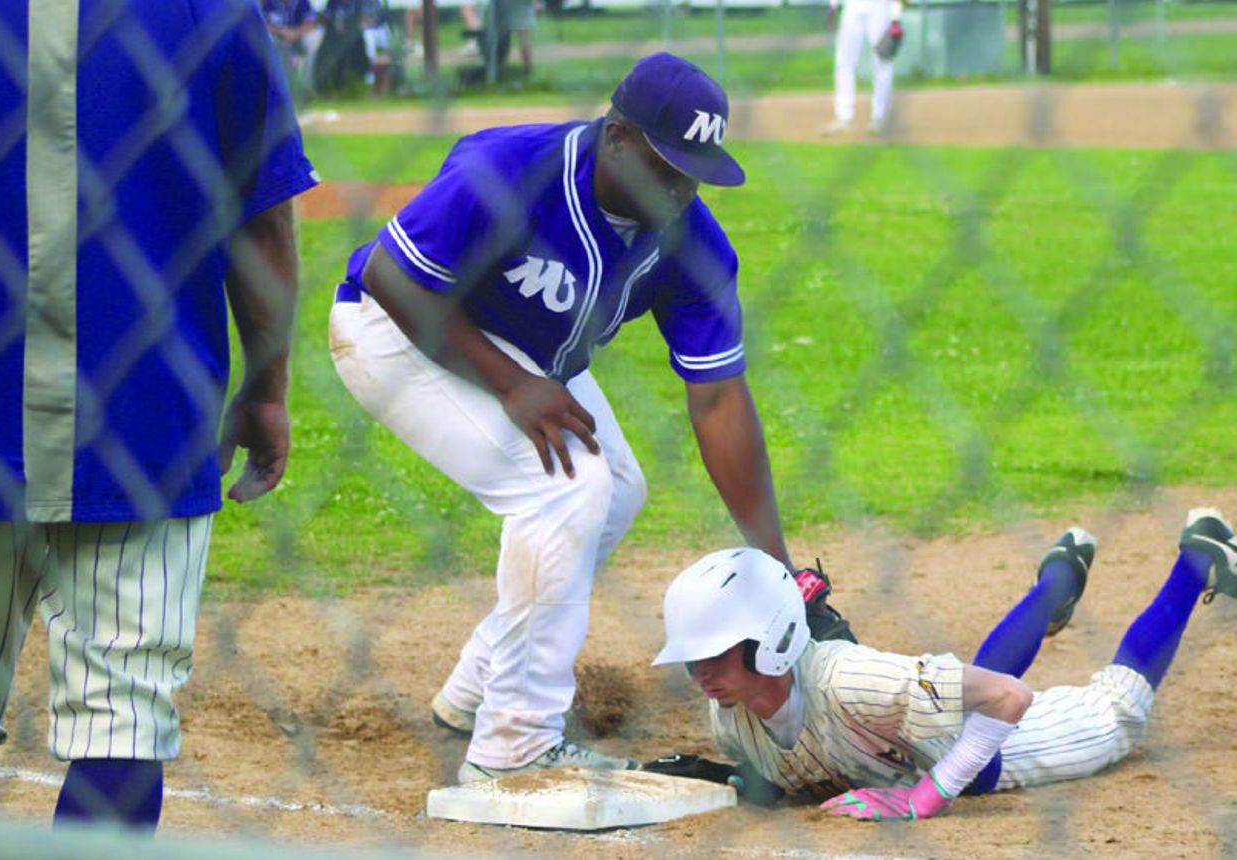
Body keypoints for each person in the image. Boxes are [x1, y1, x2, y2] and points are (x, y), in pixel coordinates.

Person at [328, 52, 850, 785]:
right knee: (568, 489)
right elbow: (392, 277)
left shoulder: (693, 246)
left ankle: (478, 687)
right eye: (665, 165)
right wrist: (512, 384)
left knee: (619, 489)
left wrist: (778, 566)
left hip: (528, 360)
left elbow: (720, 398)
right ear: (616, 136)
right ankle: (514, 742)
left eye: (693, 172)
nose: (679, 189)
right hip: (394, 330)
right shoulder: (511, 167)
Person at [0, 0, 317, 830]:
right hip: (145, 418)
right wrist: (266, 386)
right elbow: (263, 222)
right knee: (122, 715)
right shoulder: (209, 11)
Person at [653, 508, 1237, 821]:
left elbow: (1010, 701)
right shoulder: (729, 722)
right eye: (691, 661)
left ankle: (1200, 561)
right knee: (956, 690)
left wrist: (924, 798)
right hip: (939, 727)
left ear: (767, 642)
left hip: (1009, 746)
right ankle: (1058, 577)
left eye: (712, 654)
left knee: (1119, 712)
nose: (701, 675)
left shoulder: (854, 680)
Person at [825, 0, 902, 135]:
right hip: (853, 5)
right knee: (844, 61)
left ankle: (879, 117)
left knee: (882, 60)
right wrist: (833, 4)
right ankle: (844, 117)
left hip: (880, 5)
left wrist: (896, 15)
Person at [262, 0, 323, 96]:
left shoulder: (302, 2)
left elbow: (311, 22)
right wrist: (282, 31)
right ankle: (269, 85)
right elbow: (263, 24)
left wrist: (295, 33)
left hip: (298, 37)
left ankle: (308, 85)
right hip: (278, 38)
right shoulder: (269, 2)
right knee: (266, 38)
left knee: (315, 36)